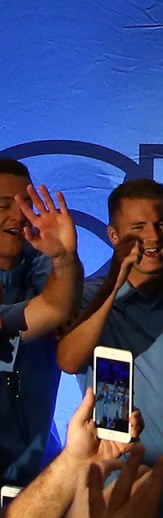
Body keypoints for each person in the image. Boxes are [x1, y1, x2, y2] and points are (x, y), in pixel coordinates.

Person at [57, 178, 163, 465]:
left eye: (161, 224)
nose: (154, 237)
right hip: (111, 478)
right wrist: (115, 281)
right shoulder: (88, 296)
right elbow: (69, 361)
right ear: (113, 235)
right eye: (138, 228)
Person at [0, 159, 84, 484]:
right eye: (4, 205)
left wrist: (64, 257)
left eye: (26, 204)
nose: (18, 215)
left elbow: (59, 304)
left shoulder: (46, 266)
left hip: (35, 479)